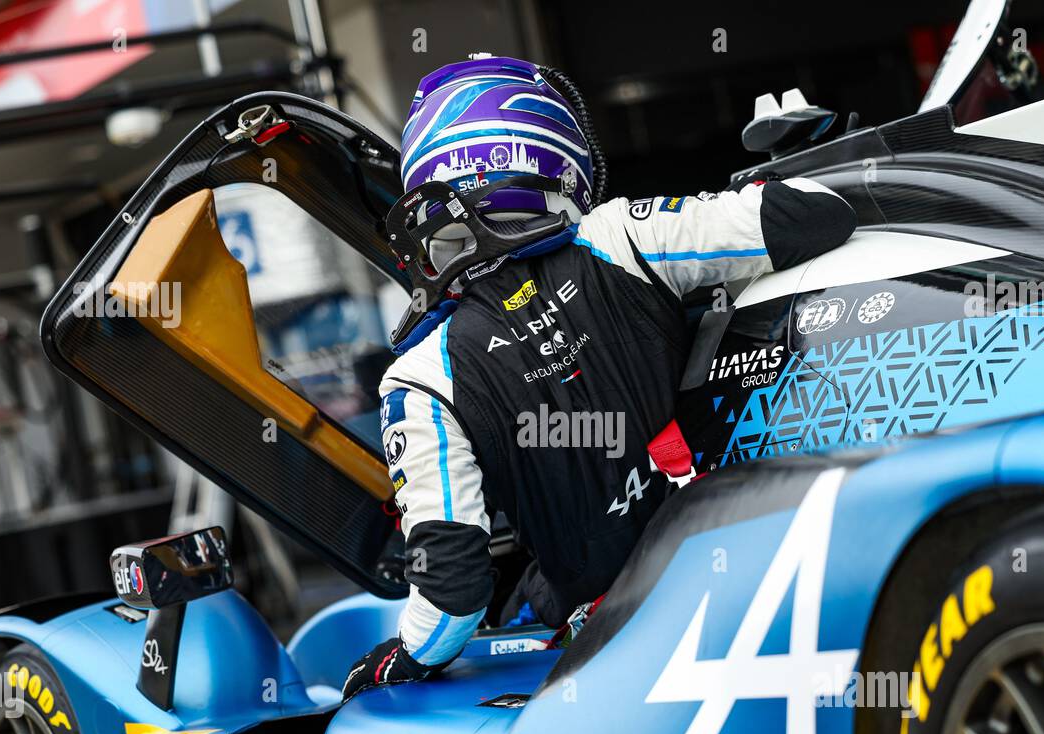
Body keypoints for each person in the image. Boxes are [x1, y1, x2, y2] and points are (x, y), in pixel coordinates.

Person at [342, 54, 856, 699]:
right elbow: (813, 217)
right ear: (551, 149)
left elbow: (453, 594)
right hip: (752, 587)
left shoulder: (417, 378)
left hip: (606, 657)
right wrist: (794, 156)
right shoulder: (622, 235)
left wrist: (401, 660)